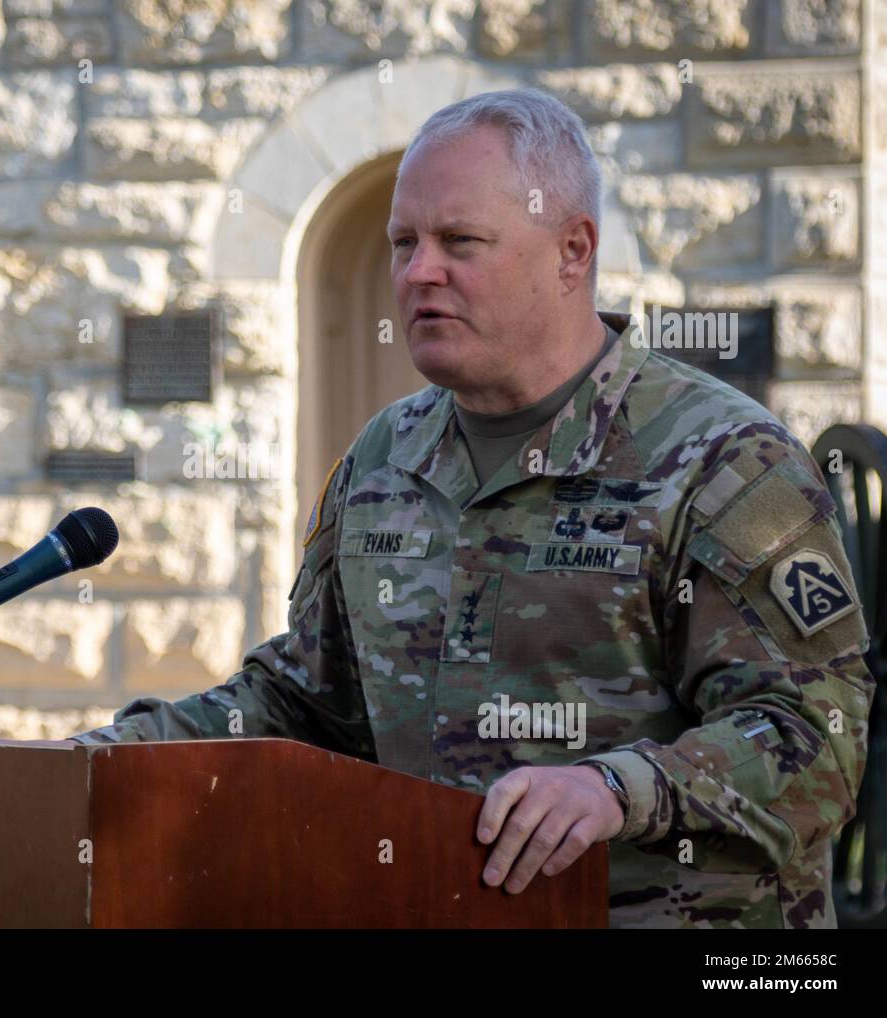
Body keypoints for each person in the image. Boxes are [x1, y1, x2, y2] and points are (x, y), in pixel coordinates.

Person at [65, 88, 875, 929]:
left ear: (572, 252)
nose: (419, 272)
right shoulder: (383, 458)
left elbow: (816, 741)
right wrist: (100, 761)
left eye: (460, 242)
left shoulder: (724, 461)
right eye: (404, 243)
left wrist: (615, 790)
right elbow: (306, 702)